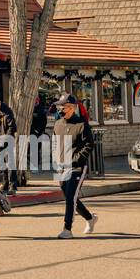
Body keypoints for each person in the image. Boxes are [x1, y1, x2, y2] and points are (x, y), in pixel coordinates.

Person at [52, 95, 97, 239]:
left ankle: (67, 229)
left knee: (71, 196)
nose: (60, 109)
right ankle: (90, 218)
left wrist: (75, 160)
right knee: (71, 198)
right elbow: (55, 143)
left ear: (71, 107)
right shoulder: (58, 124)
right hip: (61, 167)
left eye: (63, 106)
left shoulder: (82, 125)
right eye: (59, 106)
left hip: (76, 167)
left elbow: (89, 145)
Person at [0, 92, 18, 193]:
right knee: (0, 164)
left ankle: (13, 186)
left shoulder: (7, 111)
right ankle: (5, 183)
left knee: (10, 164)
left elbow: (12, 127)